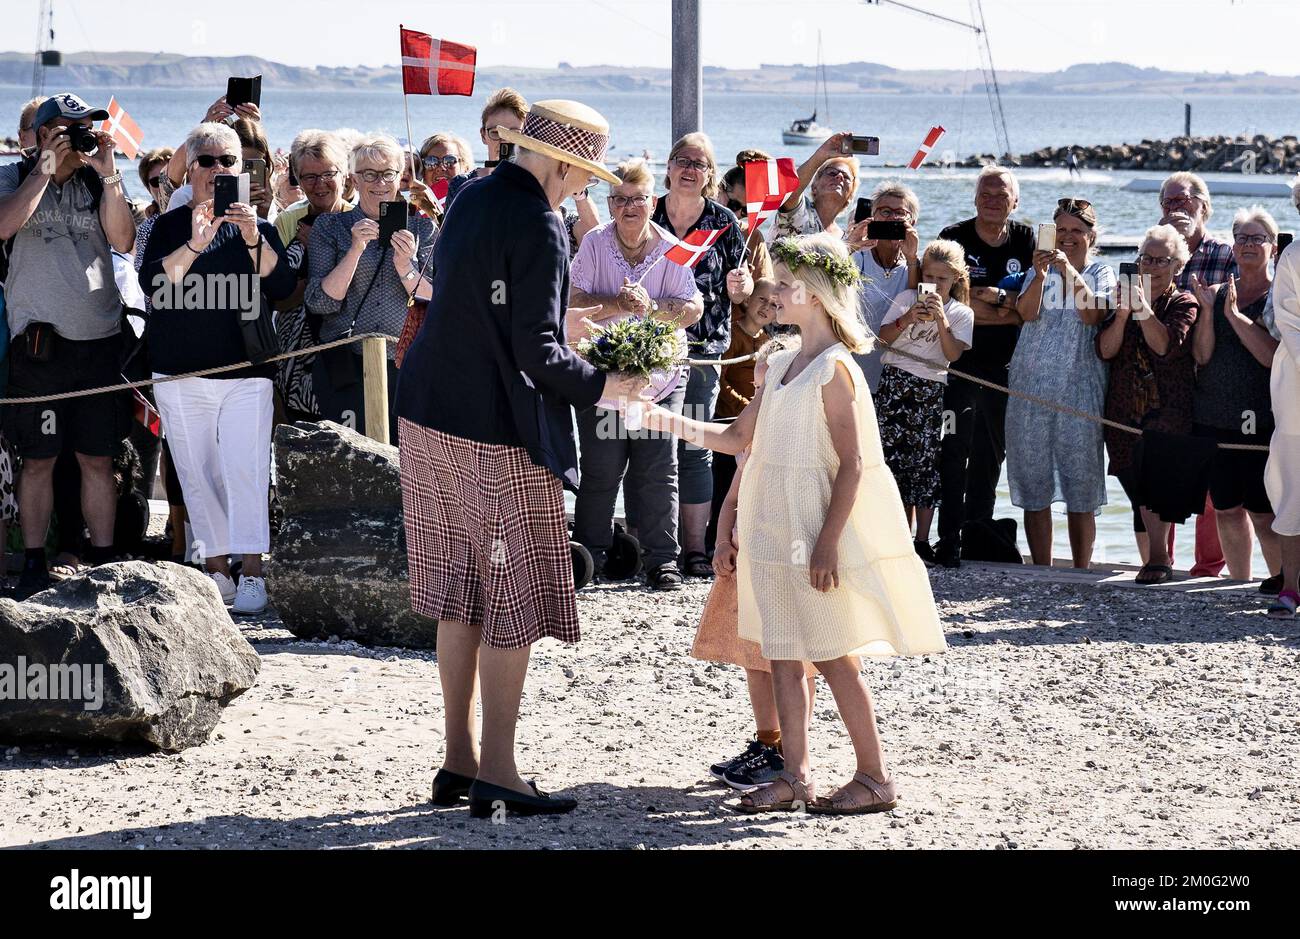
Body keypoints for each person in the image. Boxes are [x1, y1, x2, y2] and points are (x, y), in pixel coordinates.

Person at [395, 100, 644, 818]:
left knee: (458, 588)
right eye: (583, 179)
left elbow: (482, 308)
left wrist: (572, 334)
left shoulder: (472, 191)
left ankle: (458, 759)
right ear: (562, 163)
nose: (581, 193)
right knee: (511, 593)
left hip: (427, 407)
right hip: (493, 427)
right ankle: (499, 771)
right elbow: (534, 351)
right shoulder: (539, 221)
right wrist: (608, 384)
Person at [642, 233, 945, 815]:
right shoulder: (779, 363)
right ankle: (797, 775)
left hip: (812, 531)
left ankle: (876, 777)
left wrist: (829, 542)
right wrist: (657, 416)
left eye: (782, 283)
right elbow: (734, 439)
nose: (772, 292)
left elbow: (856, 464)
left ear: (812, 292)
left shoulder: (837, 370)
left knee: (834, 656)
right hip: (770, 529)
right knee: (781, 651)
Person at [138, 121, 295, 614]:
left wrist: (251, 236)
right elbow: (156, 288)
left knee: (245, 467)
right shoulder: (169, 223)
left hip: (246, 373)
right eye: (207, 161)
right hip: (181, 374)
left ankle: (253, 571)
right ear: (192, 167)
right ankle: (216, 569)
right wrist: (197, 242)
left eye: (229, 162)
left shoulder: (257, 226)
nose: (218, 170)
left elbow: (282, 290)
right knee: (197, 471)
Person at [0, 93, 136, 599]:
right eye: (64, 129)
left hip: (99, 344)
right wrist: (43, 168)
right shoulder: (13, 178)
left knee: (97, 458)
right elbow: (3, 226)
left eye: (83, 128)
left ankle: (102, 559)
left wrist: (110, 175)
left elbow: (123, 243)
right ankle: (35, 560)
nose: (77, 137)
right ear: (37, 135)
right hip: (39, 347)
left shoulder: (94, 182)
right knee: (37, 459)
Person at [568, 158, 703, 590]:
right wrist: (617, 304)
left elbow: (692, 307)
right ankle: (591, 554)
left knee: (658, 466)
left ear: (653, 202)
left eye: (638, 199)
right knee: (602, 468)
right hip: (602, 373)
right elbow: (573, 297)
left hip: (658, 377)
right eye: (620, 199)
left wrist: (654, 309)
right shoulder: (592, 243)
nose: (629, 207)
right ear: (609, 203)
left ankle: (662, 560)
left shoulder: (672, 247)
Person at [697, 342, 821, 792]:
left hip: (784, 554)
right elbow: (732, 496)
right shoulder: (749, 440)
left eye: (767, 383)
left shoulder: (800, 436)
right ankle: (768, 739)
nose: (759, 392)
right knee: (752, 654)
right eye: (756, 384)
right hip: (747, 557)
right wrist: (721, 540)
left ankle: (793, 748)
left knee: (796, 660)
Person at [650, 132, 750, 577]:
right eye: (682, 160)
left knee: (694, 448)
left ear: (710, 175)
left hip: (703, 353)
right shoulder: (646, 213)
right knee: (649, 448)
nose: (690, 169)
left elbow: (742, 284)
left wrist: (742, 289)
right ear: (669, 167)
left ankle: (694, 550)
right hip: (647, 350)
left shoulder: (725, 221)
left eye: (700, 163)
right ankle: (655, 548)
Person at [305, 135, 436, 442]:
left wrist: (406, 267)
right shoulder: (330, 227)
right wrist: (354, 251)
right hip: (346, 362)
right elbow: (320, 303)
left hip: (406, 364)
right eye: (369, 174)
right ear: (353, 178)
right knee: (349, 461)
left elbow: (435, 300)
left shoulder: (422, 227)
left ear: (400, 177)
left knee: (408, 459)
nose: (380, 183)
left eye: (388, 173)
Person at [934, 165, 1034, 568]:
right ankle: (947, 537)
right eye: (986, 194)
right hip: (957, 360)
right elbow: (948, 298)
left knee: (990, 454)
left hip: (1004, 365)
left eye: (1001, 194)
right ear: (975, 199)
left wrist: (987, 302)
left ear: (1015, 201)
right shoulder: (954, 237)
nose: (993, 200)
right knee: (952, 449)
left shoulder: (1026, 238)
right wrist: (998, 305)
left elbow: (1030, 310)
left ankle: (977, 529)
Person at [1007, 198, 1114, 568]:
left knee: (1080, 484)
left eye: (1077, 231)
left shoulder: (1102, 273)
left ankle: (1081, 568)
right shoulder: (1037, 272)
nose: (1068, 238)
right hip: (1030, 388)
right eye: (1061, 230)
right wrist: (1039, 275)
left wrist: (1069, 270)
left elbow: (1092, 315)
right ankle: (1042, 567)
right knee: (1033, 480)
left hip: (1079, 390)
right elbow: (1025, 312)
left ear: (1091, 235)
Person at [1096, 225, 1199, 585]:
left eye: (1161, 260)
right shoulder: (1119, 300)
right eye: (1146, 258)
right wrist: (1124, 313)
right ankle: (1153, 559)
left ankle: (1159, 558)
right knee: (1137, 487)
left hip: (1167, 410)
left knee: (1157, 486)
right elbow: (1105, 350)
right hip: (1123, 411)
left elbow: (1164, 346)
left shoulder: (1183, 302)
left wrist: (1141, 308)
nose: (1152, 266)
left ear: (1177, 266)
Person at [1187, 207, 1282, 582]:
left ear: (1273, 248)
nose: (1247, 245)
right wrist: (1210, 313)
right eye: (1240, 237)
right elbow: (1200, 355)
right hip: (1213, 415)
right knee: (1226, 508)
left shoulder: (1280, 296)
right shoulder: (1216, 293)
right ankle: (1239, 582)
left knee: (1263, 512)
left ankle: (1281, 581)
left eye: (1257, 238)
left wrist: (1238, 319)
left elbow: (1271, 357)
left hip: (1261, 418)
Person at [875, 240, 975, 564]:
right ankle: (895, 537)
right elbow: (882, 338)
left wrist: (941, 319)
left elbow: (952, 354)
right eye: (929, 277)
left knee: (925, 463)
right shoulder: (906, 298)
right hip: (894, 384)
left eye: (942, 279)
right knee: (891, 461)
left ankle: (921, 540)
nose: (934, 285)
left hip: (931, 389)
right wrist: (908, 318)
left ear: (956, 279)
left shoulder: (961, 313)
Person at [1160, 170, 1238, 577]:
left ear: (1204, 206)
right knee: (1165, 470)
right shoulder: (1152, 250)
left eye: (1184, 200)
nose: (1177, 208)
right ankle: (1160, 559)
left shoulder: (1226, 253)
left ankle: (1209, 568)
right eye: (1169, 202)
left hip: (1212, 377)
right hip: (1165, 380)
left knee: (1213, 482)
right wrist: (1165, 246)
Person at [273, 129, 354, 422]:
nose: (320, 184)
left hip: (343, 349)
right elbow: (278, 296)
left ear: (344, 175)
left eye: (328, 174)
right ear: (298, 179)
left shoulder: (358, 219)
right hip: (294, 351)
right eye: (309, 177)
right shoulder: (288, 221)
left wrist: (322, 248)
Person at [849, 180, 922, 393]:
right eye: (885, 211)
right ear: (872, 217)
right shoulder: (857, 257)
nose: (893, 218)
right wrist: (850, 244)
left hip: (894, 377)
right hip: (854, 368)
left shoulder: (916, 265)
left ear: (913, 221)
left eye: (901, 213)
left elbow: (917, 309)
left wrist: (911, 258)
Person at [1266, 238, 1300, 618]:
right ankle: (1291, 585)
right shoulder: (1293, 256)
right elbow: (1288, 322)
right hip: (1295, 387)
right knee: (1293, 483)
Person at [771, 132, 859, 240]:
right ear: (814, 186)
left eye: (846, 177)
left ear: (850, 196)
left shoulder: (846, 239)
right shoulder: (802, 212)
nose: (839, 177)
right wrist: (821, 155)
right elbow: (790, 194)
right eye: (832, 173)